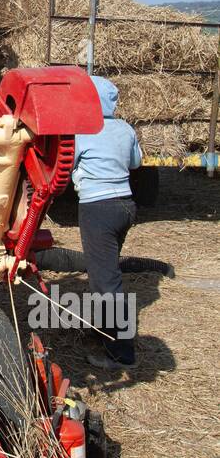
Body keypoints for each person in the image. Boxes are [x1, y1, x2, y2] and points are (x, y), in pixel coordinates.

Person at [72, 75, 142, 369]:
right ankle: (104, 330)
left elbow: (65, 163)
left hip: (97, 208)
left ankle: (122, 353)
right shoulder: (125, 128)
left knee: (106, 281)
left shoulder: (83, 131)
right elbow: (136, 162)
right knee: (107, 270)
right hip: (126, 205)